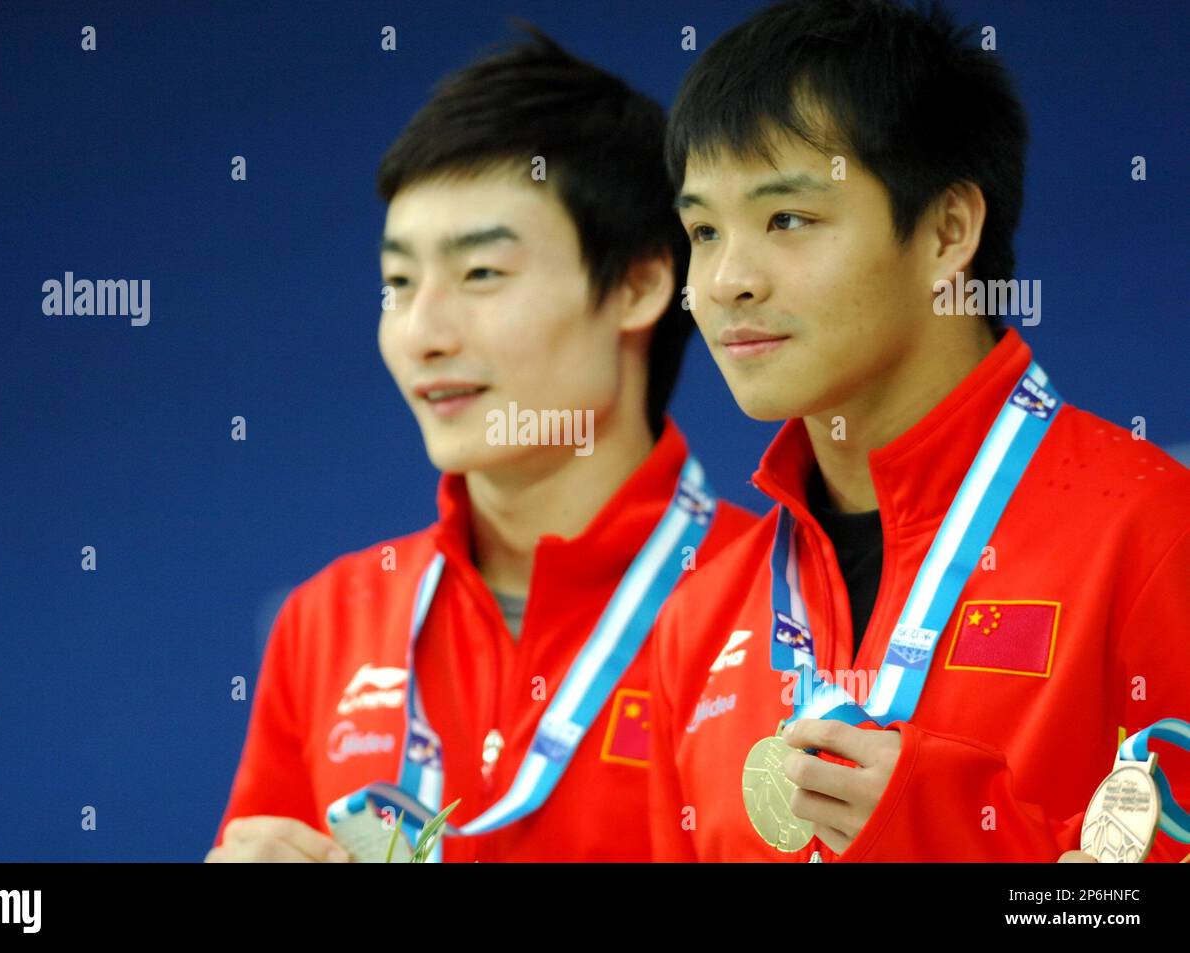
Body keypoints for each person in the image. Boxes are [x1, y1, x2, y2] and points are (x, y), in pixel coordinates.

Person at [647, 0, 1190, 862]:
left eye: (786, 219)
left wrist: (937, 823)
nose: (725, 281)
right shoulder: (698, 619)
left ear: (947, 230)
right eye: (704, 230)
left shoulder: (1155, 533)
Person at [207, 27, 757, 863]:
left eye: (481, 274)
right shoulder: (327, 620)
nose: (421, 332)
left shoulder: (781, 604)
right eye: (398, 282)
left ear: (640, 284)